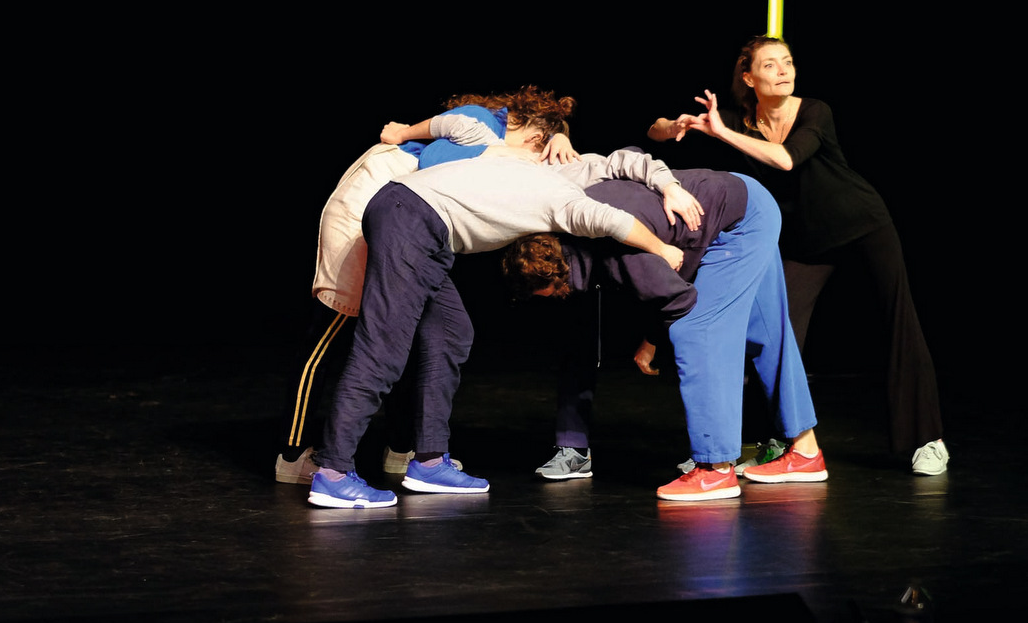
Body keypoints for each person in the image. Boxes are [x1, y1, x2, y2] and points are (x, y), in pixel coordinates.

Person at [306, 148, 701, 508]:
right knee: (383, 348)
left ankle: (429, 461)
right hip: (412, 218)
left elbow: (620, 161)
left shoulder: (530, 172)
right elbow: (611, 219)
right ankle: (333, 473)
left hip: (419, 225)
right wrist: (662, 248)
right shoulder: (564, 199)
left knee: (451, 333)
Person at [648, 36, 949, 476]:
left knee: (898, 322)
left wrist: (723, 133)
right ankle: (774, 441)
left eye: (787, 62)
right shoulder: (734, 119)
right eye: (770, 65)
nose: (783, 71)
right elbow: (654, 130)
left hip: (861, 226)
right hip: (804, 242)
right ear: (749, 77)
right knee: (772, 334)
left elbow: (787, 159)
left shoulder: (815, 111)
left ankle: (928, 439)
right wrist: (679, 125)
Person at [276, 87, 578, 486]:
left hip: (399, 216)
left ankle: (404, 449)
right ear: (535, 134)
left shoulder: (495, 131)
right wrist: (505, 153)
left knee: (420, 332)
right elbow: (434, 162)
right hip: (365, 209)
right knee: (332, 334)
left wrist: (561, 138)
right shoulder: (483, 124)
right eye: (539, 149)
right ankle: (294, 455)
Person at [501, 167, 826, 501]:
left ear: (558, 277)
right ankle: (806, 452)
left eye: (548, 294)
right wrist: (651, 339)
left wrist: (654, 339)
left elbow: (680, 299)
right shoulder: (572, 214)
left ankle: (714, 469)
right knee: (768, 332)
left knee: (696, 331)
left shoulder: (619, 252)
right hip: (746, 196)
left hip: (738, 221)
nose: (554, 299)